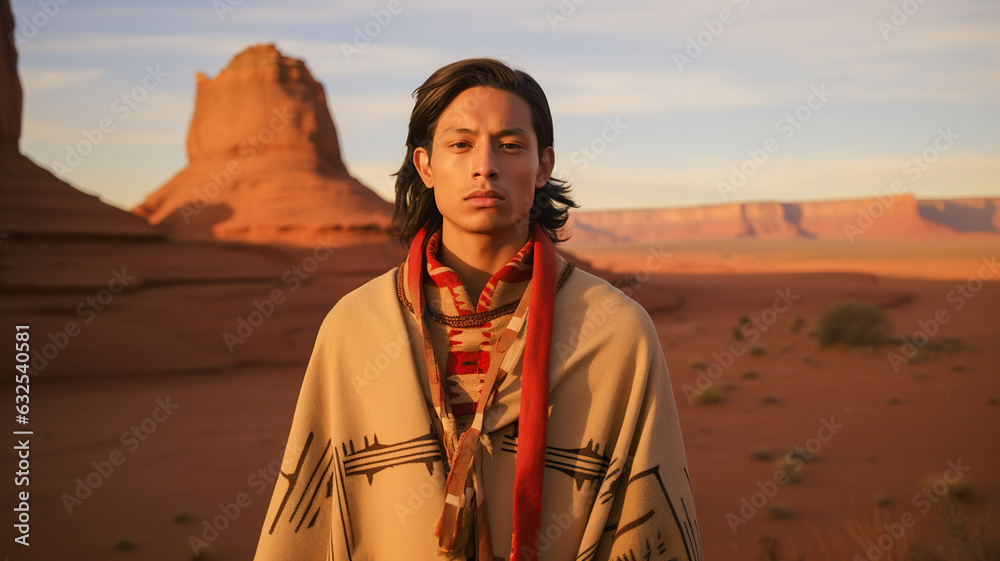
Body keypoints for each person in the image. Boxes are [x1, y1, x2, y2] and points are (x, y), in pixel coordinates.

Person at [253, 58, 702, 561]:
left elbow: (650, 525)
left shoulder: (616, 332)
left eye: (510, 145)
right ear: (424, 166)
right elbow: (307, 525)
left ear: (543, 166)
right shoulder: (353, 329)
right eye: (460, 144)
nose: (484, 164)